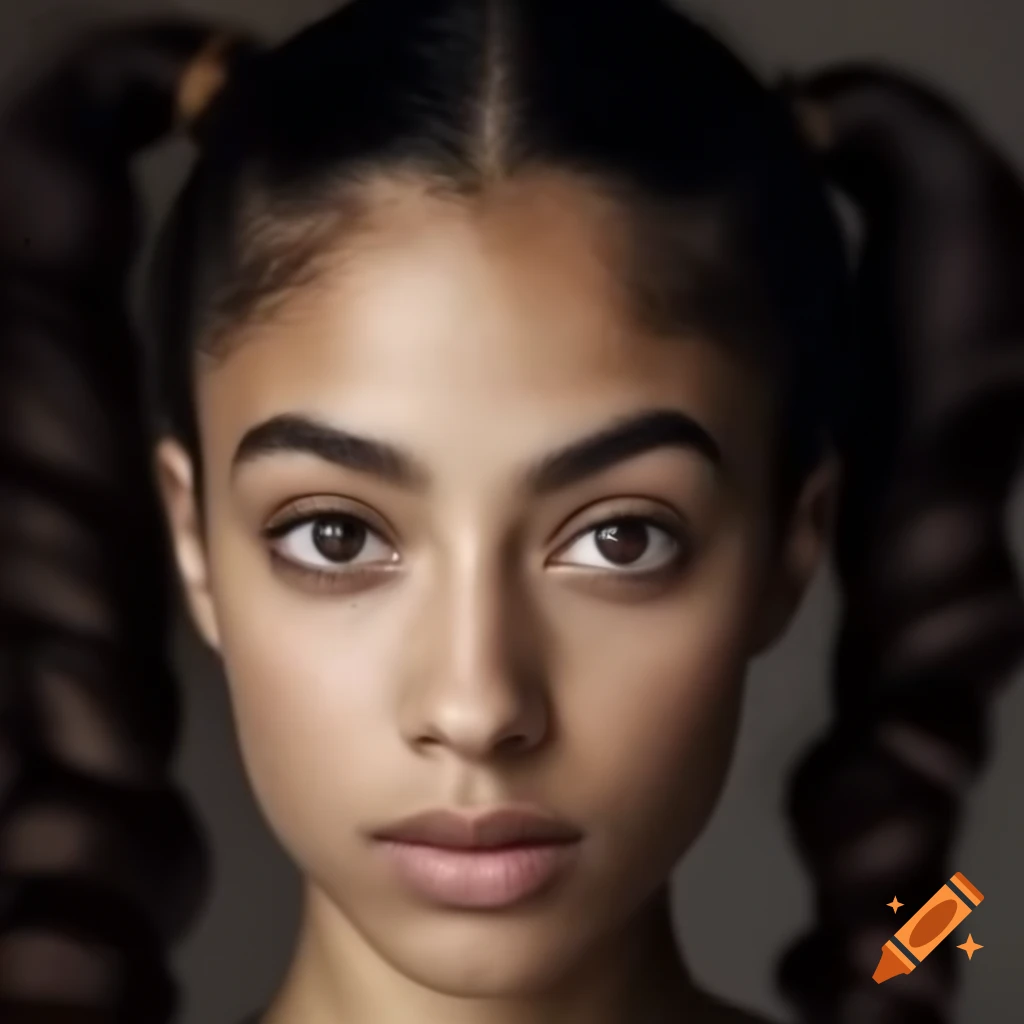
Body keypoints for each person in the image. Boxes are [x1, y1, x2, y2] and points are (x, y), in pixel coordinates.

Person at [1, 1, 1023, 1022]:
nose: (477, 707)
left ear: (789, 546)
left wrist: (946, 931)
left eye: (620, 538)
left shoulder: (950, 918)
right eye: (337, 534)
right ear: (194, 541)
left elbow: (957, 914)